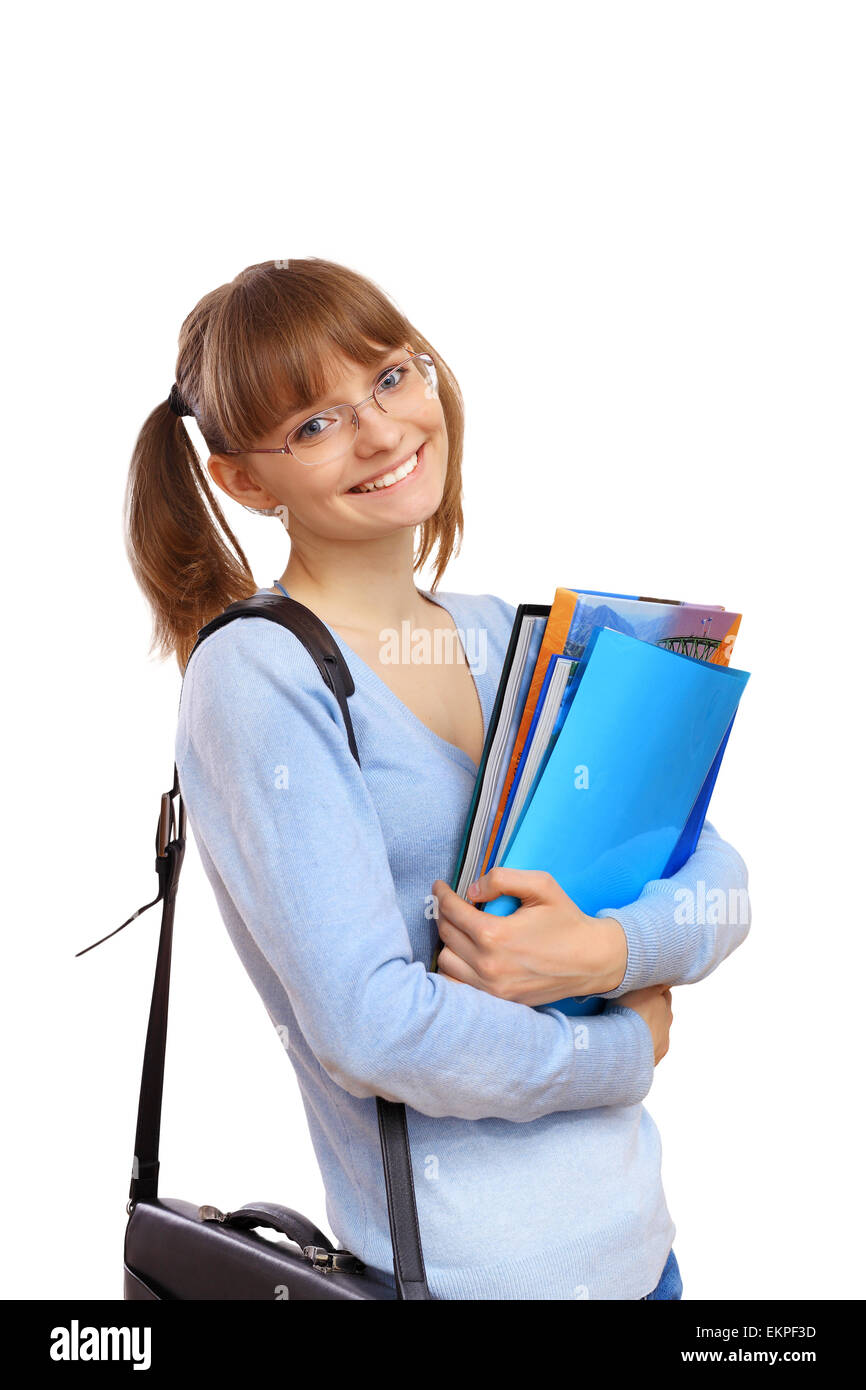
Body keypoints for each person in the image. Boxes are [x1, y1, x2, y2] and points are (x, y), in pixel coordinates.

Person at [125, 257, 750, 1300]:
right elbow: (372, 1025)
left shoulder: (507, 633)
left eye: (388, 377)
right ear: (243, 479)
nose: (380, 431)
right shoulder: (260, 672)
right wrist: (621, 1044)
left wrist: (600, 947)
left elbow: (712, 872)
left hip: (641, 1259)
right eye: (314, 424)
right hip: (477, 1283)